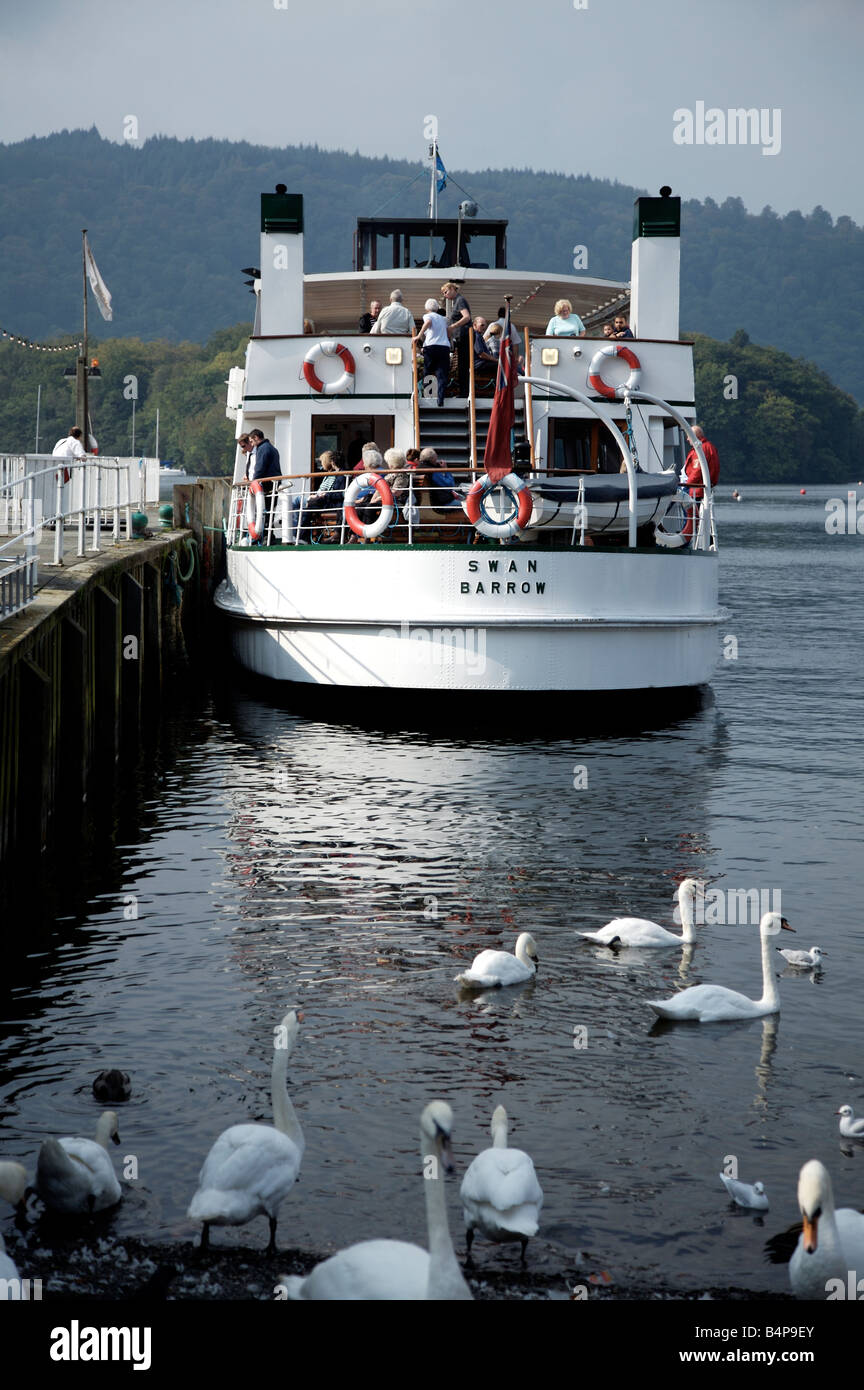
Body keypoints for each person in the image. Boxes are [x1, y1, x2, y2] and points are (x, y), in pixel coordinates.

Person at [296, 449, 347, 542]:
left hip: (334, 504)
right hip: (332, 502)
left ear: (333, 463)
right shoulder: (339, 474)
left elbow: (341, 494)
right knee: (308, 506)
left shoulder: (342, 475)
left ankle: (302, 537)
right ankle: (302, 536)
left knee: (308, 507)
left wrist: (326, 495)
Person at [681, 425, 719, 541]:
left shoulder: (701, 448)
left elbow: (697, 470)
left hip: (696, 491)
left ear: (695, 435)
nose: (687, 439)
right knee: (704, 519)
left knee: (693, 517)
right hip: (703, 490)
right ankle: (707, 540)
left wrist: (686, 484)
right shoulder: (709, 447)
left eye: (688, 436)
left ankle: (687, 540)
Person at [413, 297, 451, 407]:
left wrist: (418, 336)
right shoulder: (444, 319)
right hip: (444, 347)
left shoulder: (428, 316)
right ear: (437, 308)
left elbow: (428, 322)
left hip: (431, 346)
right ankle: (440, 399)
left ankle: (428, 395)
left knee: (428, 371)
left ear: (426, 308)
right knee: (441, 373)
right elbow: (448, 331)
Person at [247, 428, 281, 543]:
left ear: (256, 438)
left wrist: (254, 483)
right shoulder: (272, 448)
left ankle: (266, 537)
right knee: (270, 511)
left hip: (268, 485)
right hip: (274, 483)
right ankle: (269, 535)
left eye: (252, 441)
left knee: (264, 511)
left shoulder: (263, 448)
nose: (252, 444)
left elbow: (260, 468)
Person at [441, 282, 471, 397]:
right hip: (460, 336)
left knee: (463, 365)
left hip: (464, 336)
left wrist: (452, 326)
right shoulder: (457, 301)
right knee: (461, 364)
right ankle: (463, 391)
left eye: (446, 292)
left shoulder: (460, 300)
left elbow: (466, 317)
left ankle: (464, 392)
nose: (445, 295)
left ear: (452, 288)